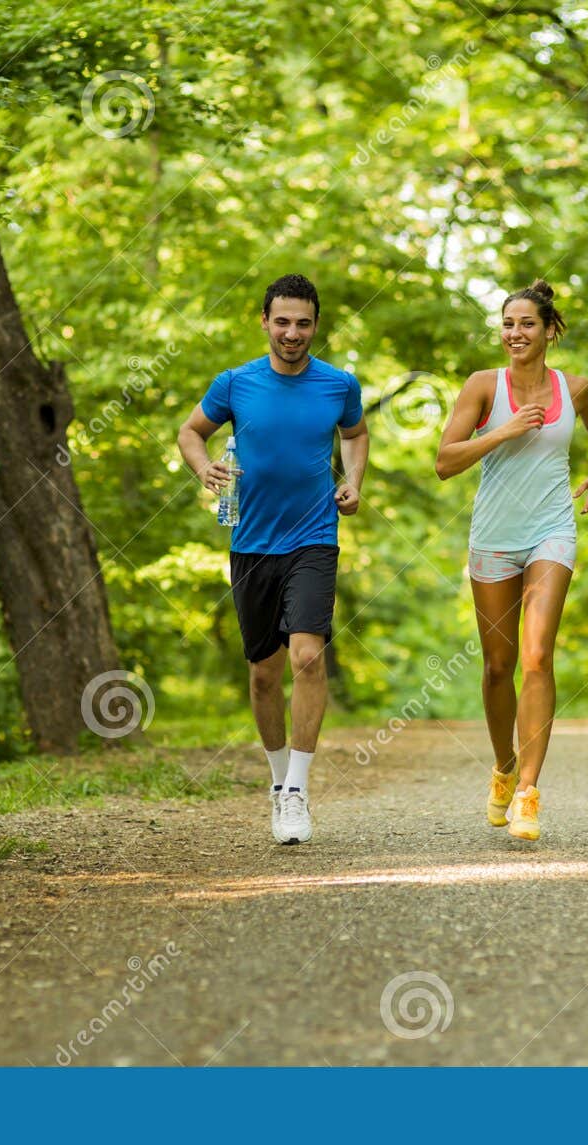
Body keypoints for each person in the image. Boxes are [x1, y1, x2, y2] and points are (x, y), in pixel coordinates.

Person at [177, 274, 369, 845]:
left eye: (303, 323)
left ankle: (298, 792)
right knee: (264, 676)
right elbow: (190, 432)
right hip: (252, 544)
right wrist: (203, 467)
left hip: (314, 538)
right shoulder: (235, 384)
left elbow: (355, 435)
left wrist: (353, 479)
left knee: (308, 658)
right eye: (281, 321)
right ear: (264, 321)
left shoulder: (338, 385)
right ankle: (277, 779)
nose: (292, 333)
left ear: (316, 325)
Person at [434, 279, 588, 841]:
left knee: (537, 656)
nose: (516, 333)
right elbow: (444, 462)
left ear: (549, 329)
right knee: (497, 665)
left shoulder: (575, 387)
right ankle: (504, 767)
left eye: (527, 324)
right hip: (494, 535)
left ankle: (530, 793)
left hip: (551, 531)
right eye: (508, 324)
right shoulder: (483, 387)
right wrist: (503, 431)